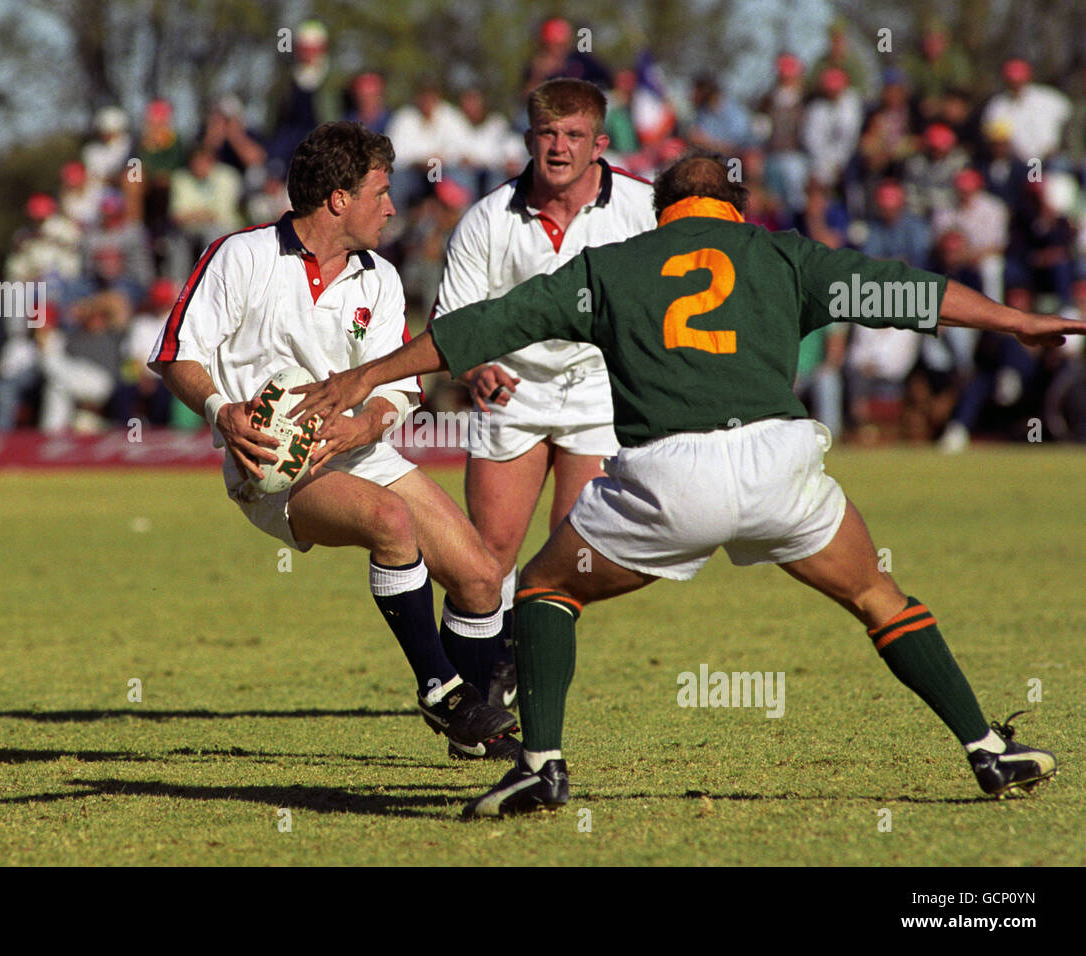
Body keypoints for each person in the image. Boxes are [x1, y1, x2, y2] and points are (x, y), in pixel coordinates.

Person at [292, 155, 1077, 816]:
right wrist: (1018, 322)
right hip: (781, 465)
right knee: (880, 597)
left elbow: (482, 328)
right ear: (736, 208)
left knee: (540, 591)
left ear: (660, 211)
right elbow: (913, 296)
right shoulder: (784, 255)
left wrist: (365, 375)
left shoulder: (614, 265)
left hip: (670, 481)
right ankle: (983, 749)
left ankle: (541, 763)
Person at [147, 121, 517, 758]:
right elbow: (176, 353)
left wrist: (368, 421)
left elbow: (398, 386)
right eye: (380, 192)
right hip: (273, 465)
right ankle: (441, 691)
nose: (393, 206)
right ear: (339, 200)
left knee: (482, 578)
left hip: (361, 450)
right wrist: (222, 412)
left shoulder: (380, 276)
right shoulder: (241, 255)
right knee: (390, 521)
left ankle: (471, 733)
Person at [429, 78, 656, 724]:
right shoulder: (486, 219)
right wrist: (476, 370)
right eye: (548, 134)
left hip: (597, 393)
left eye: (574, 135)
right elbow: (456, 322)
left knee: (569, 559)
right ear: (529, 139)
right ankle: (467, 699)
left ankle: (516, 672)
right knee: (486, 558)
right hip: (513, 395)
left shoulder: (644, 208)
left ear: (601, 143)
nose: (559, 147)